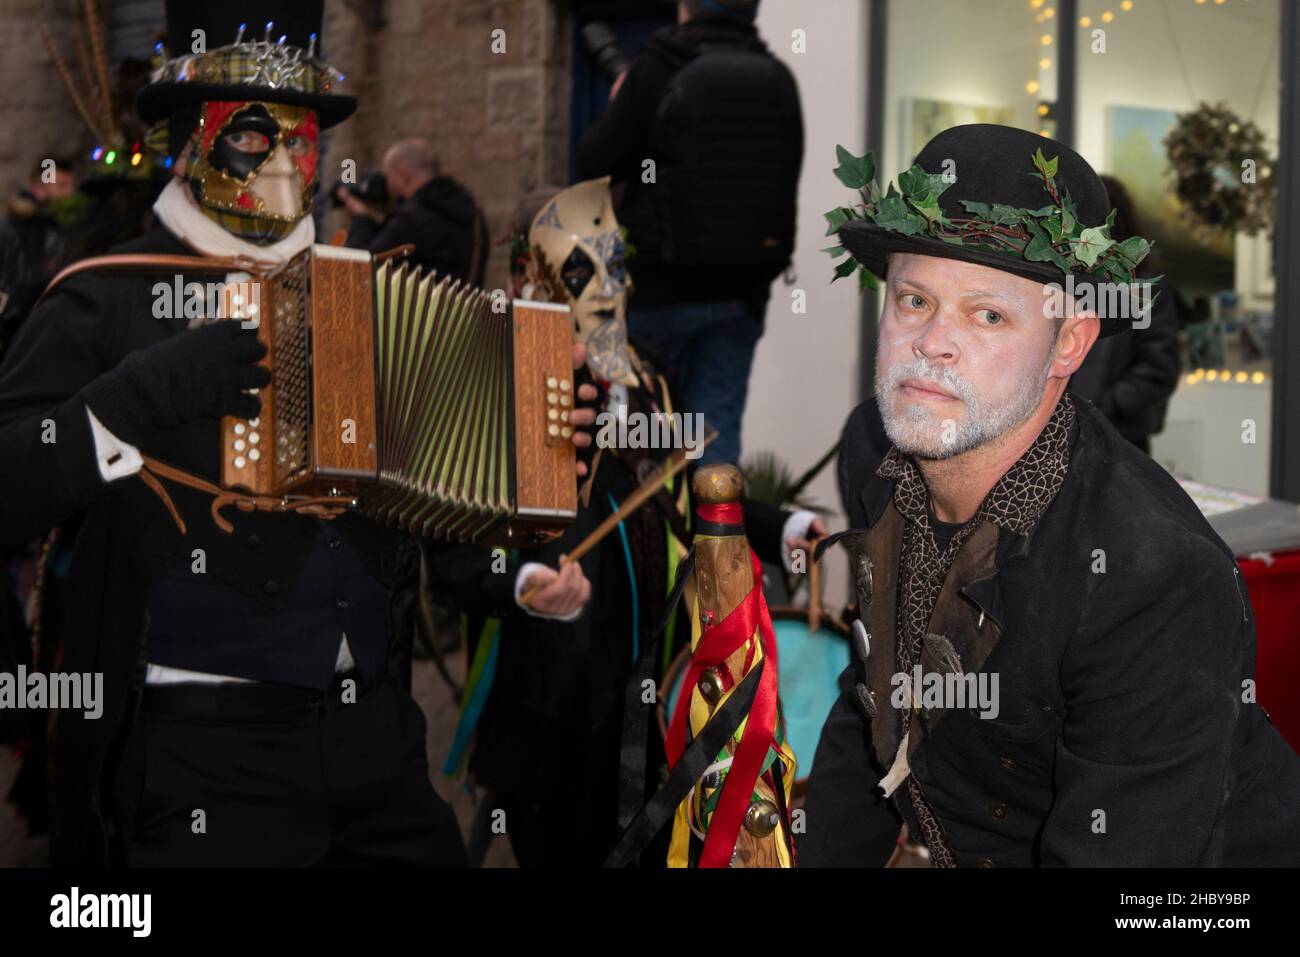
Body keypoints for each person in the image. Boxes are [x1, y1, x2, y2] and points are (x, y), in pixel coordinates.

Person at [0, 0, 595, 867]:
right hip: (200, 763)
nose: (282, 162)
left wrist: (528, 514)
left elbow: (429, 493)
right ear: (186, 140)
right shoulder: (107, 293)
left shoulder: (368, 295)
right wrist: (128, 401)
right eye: (251, 135)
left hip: (379, 744)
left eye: (302, 136)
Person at [800, 124, 1300, 867]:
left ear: (1069, 343)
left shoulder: (1153, 576)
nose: (931, 341)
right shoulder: (879, 456)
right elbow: (874, 696)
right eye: (913, 299)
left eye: (988, 314)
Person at [431, 178, 824, 867]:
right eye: (581, 269)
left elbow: (679, 495)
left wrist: (779, 525)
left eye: (616, 264)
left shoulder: (648, 381)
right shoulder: (487, 380)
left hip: (646, 698)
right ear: (527, 271)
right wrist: (523, 579)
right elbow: (451, 559)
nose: (607, 288)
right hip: (547, 707)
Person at [575, 0, 803, 466]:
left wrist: (623, 102)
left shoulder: (657, 67)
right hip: (740, 298)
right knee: (713, 447)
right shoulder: (777, 77)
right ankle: (714, 536)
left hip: (656, 296)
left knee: (638, 443)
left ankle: (649, 538)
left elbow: (595, 161)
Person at [1070, 175, 1181, 453]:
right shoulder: (1067, 278)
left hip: (1118, 438)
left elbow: (1159, 366)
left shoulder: (1141, 287)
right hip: (1061, 431)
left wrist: (1107, 407)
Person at [341, 137, 489, 286]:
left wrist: (361, 217)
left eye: (387, 177)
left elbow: (359, 266)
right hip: (464, 308)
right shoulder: (473, 215)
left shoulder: (413, 219)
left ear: (403, 176)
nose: (385, 185)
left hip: (422, 309)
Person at [0, 157, 78, 351]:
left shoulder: (55, 227)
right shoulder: (15, 225)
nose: (69, 194)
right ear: (40, 187)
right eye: (61, 186)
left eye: (71, 187)